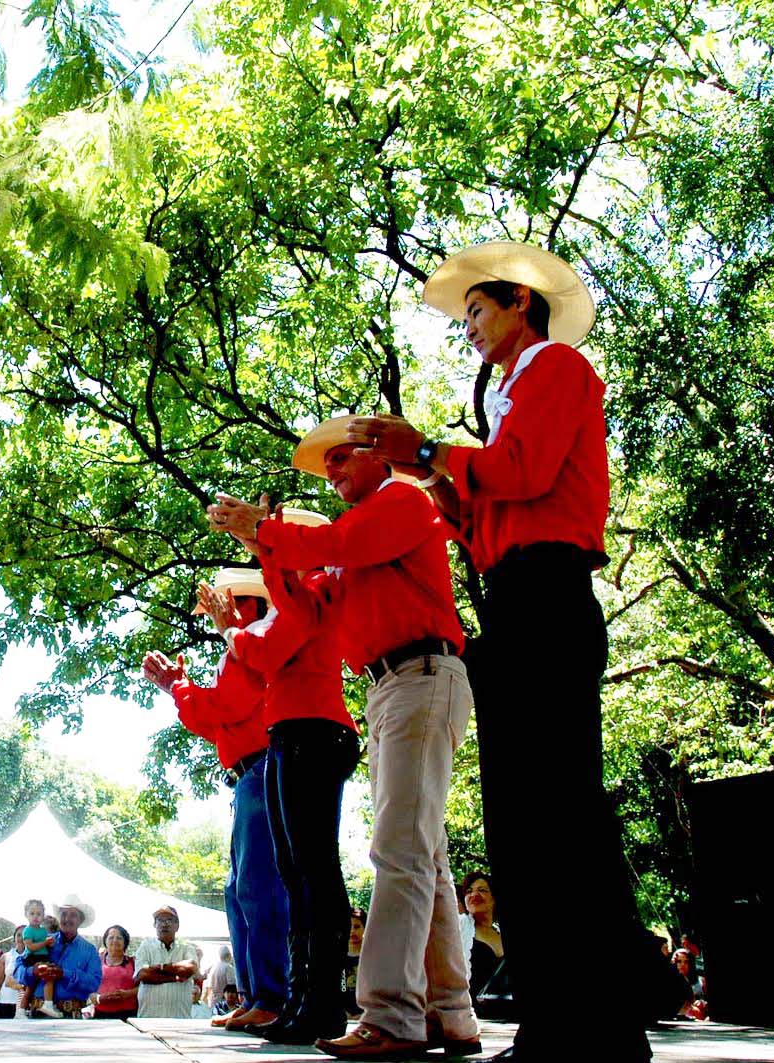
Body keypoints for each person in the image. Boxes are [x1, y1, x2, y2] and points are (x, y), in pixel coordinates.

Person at [349, 241, 656, 1063]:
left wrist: (424, 455)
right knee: (523, 818)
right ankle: (559, 1021)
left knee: (560, 812)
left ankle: (602, 1023)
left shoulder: (557, 367)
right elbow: (492, 515)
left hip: (550, 598)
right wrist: (446, 490)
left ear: (522, 301)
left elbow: (520, 473)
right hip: (520, 603)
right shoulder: (517, 393)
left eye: (479, 311)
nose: (471, 329)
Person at [210, 414, 480, 1061]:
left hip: (420, 673)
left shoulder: (399, 503)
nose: (330, 471)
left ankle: (391, 1014)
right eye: (324, 463)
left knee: (399, 851)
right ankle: (450, 1012)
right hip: (394, 685)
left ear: (378, 457)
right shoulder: (353, 539)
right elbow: (303, 607)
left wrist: (266, 533)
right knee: (425, 855)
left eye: (341, 457)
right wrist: (265, 549)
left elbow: (332, 549)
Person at [197, 507, 359, 1046]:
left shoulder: (312, 590)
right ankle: (302, 998)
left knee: (310, 871)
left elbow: (266, 654)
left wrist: (230, 633)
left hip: (315, 732)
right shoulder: (294, 595)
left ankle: (318, 1001)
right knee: (296, 872)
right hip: (293, 734)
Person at [144, 569, 288, 1034]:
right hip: (250, 773)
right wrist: (183, 690)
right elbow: (216, 721)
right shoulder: (240, 648)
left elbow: (219, 711)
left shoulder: (249, 643)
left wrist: (178, 688)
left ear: (244, 604)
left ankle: (271, 995)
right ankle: (258, 995)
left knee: (256, 885)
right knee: (239, 888)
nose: (208, 614)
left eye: (216, 603)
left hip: (260, 770)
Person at [12, 894, 103, 1018]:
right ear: (58, 917)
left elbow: (93, 983)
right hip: (37, 1013)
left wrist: (65, 973)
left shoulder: (89, 950)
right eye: (63, 914)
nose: (67, 919)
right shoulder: (44, 941)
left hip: (70, 1015)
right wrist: (33, 971)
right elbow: (18, 969)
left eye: (73, 915)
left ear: (80, 920)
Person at [134, 905, 200, 1019]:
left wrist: (158, 969)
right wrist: (175, 977)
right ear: (154, 925)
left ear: (177, 926)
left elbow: (190, 968)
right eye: (160, 920)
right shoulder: (145, 947)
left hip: (180, 1019)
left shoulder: (187, 948)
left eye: (170, 920)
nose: (165, 924)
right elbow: (143, 974)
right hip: (149, 1018)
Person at [461, 872, 505, 1003]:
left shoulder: (499, 932)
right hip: (471, 1012)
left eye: (482, 890)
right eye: (469, 891)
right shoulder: (458, 926)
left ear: (494, 898)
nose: (474, 895)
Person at [15, 899, 63, 1017]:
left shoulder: (42, 930)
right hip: (33, 958)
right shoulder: (27, 930)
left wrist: (50, 943)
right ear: (26, 914)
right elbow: (30, 947)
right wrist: (45, 943)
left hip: (42, 955)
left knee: (31, 987)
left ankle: (20, 1011)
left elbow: (45, 943)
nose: (35, 917)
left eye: (39, 914)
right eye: (32, 914)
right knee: (49, 976)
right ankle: (48, 1003)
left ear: (43, 915)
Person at [92, 925, 137, 1020]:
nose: (115, 940)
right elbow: (87, 988)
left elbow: (143, 988)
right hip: (101, 1014)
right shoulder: (95, 961)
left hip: (129, 1015)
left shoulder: (133, 962)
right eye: (111, 937)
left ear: (125, 942)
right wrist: (100, 998)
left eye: (119, 938)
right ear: (105, 941)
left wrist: (128, 993)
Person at [344, 909, 365, 1020]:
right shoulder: (338, 957)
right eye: (348, 926)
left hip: (365, 1016)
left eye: (357, 927)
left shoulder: (370, 956)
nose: (352, 931)